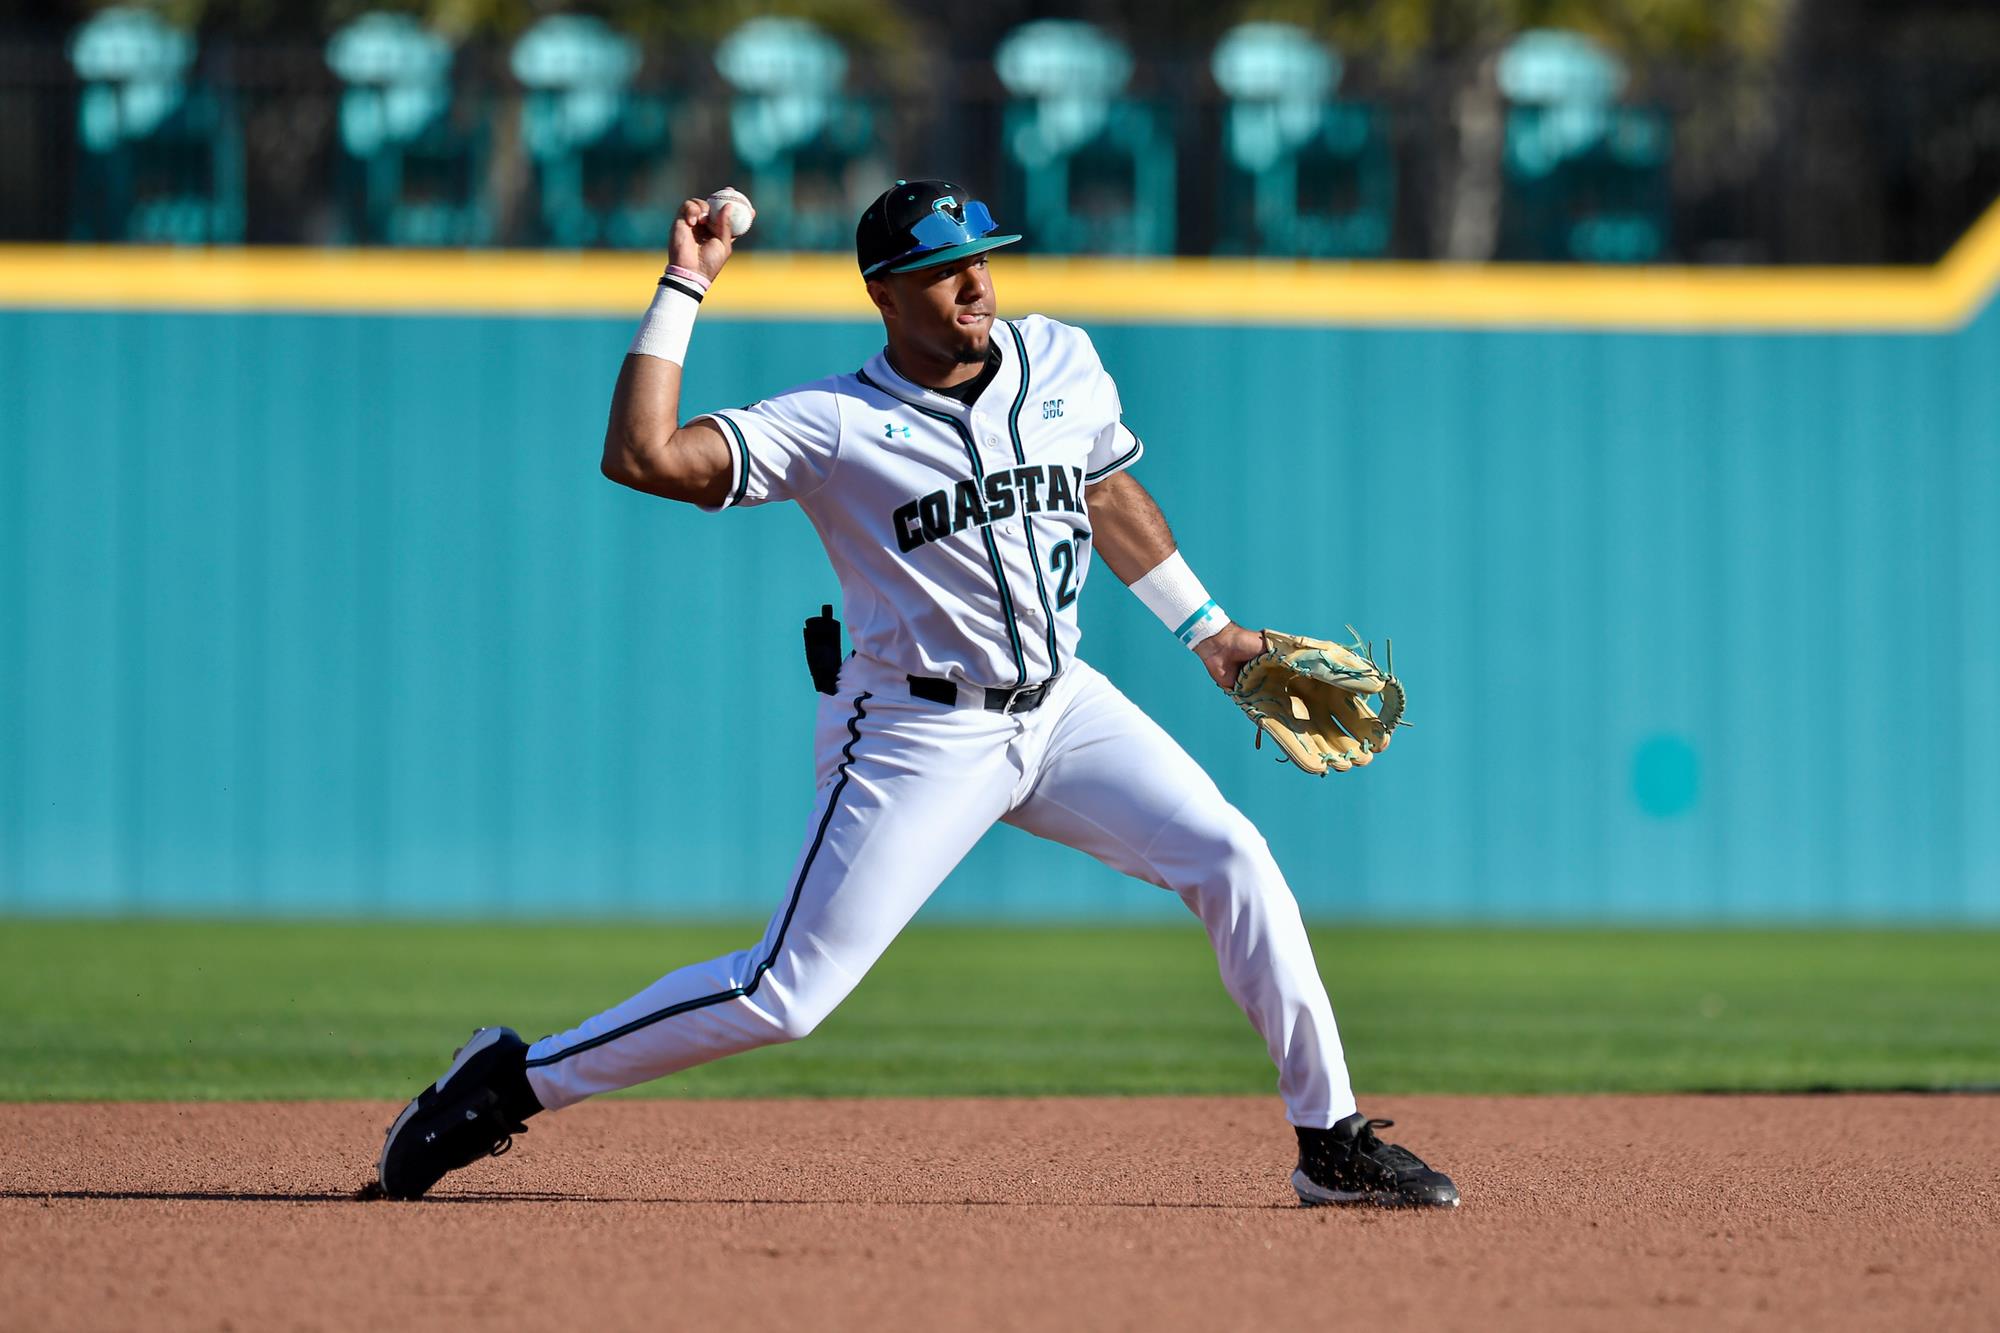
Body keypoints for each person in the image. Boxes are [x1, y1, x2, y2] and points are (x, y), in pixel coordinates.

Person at [374, 180, 1458, 1210]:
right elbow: (642, 455)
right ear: (885, 294)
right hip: (912, 731)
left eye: (983, 259)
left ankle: (1330, 1140)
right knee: (782, 996)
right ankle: (510, 1080)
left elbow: (1106, 487)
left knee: (1233, 857)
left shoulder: (1059, 360)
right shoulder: (833, 423)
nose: (977, 284)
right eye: (945, 269)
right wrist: (685, 281)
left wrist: (1208, 631)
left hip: (1063, 707)